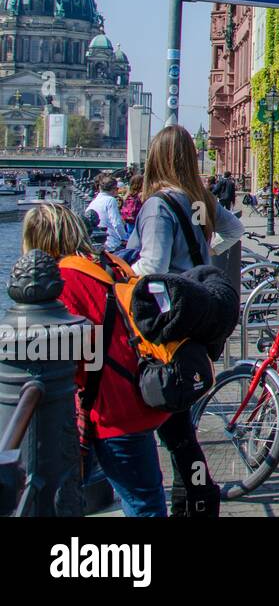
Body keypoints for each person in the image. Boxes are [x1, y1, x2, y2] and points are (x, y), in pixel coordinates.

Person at [23, 202, 171, 516]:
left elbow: (67, 356)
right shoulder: (107, 262)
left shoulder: (62, 280)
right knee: (145, 495)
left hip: (107, 407)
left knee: (137, 504)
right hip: (137, 390)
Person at [125, 124, 243, 517]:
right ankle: (193, 494)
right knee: (180, 424)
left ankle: (195, 495)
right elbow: (235, 229)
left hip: (171, 319)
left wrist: (120, 274)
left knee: (175, 426)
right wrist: (206, 254)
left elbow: (152, 267)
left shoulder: (158, 206)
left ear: (155, 158)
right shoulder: (199, 199)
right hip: (199, 311)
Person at [86, 171, 128, 253]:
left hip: (97, 242)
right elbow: (117, 223)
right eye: (116, 189)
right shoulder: (111, 200)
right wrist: (125, 238)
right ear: (112, 189)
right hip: (111, 243)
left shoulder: (94, 202)